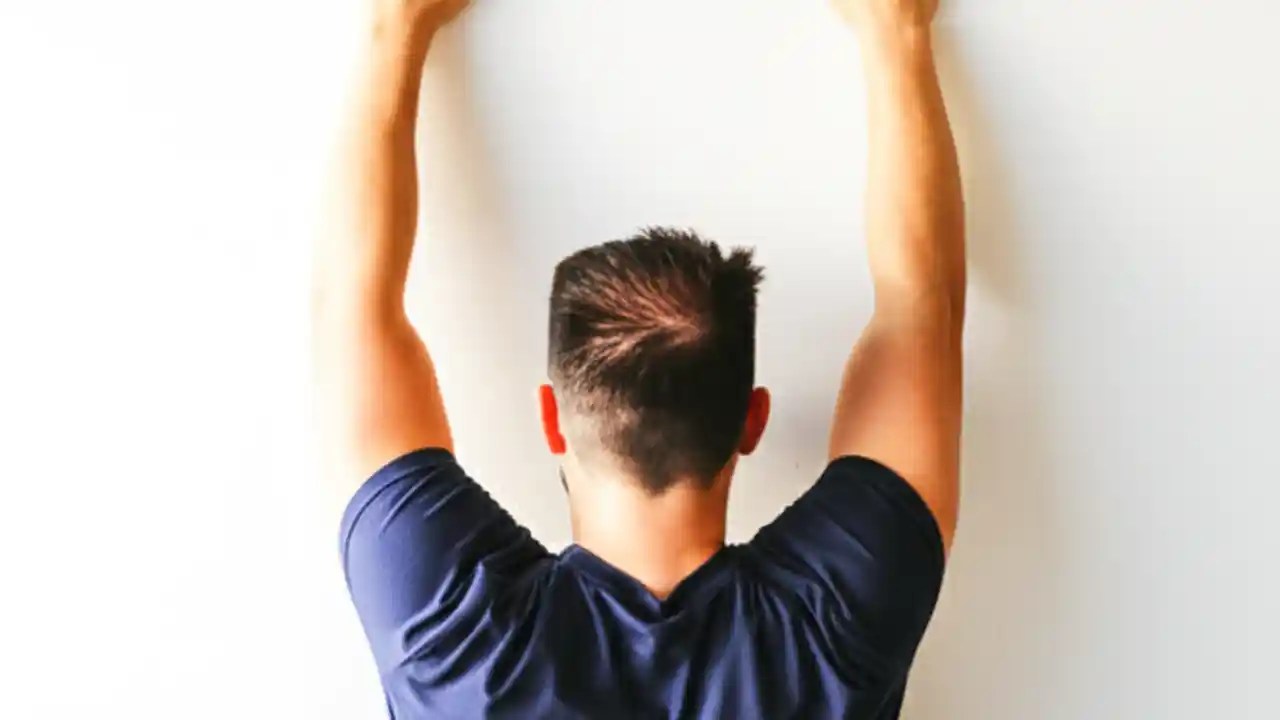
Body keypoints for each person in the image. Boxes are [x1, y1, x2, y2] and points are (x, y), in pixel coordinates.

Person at [313, 0, 965, 716]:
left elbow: (355, 310)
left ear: (551, 419)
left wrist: (395, 27)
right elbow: (921, 308)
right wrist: (896, 31)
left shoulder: (455, 638)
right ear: (752, 421)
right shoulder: (837, 623)